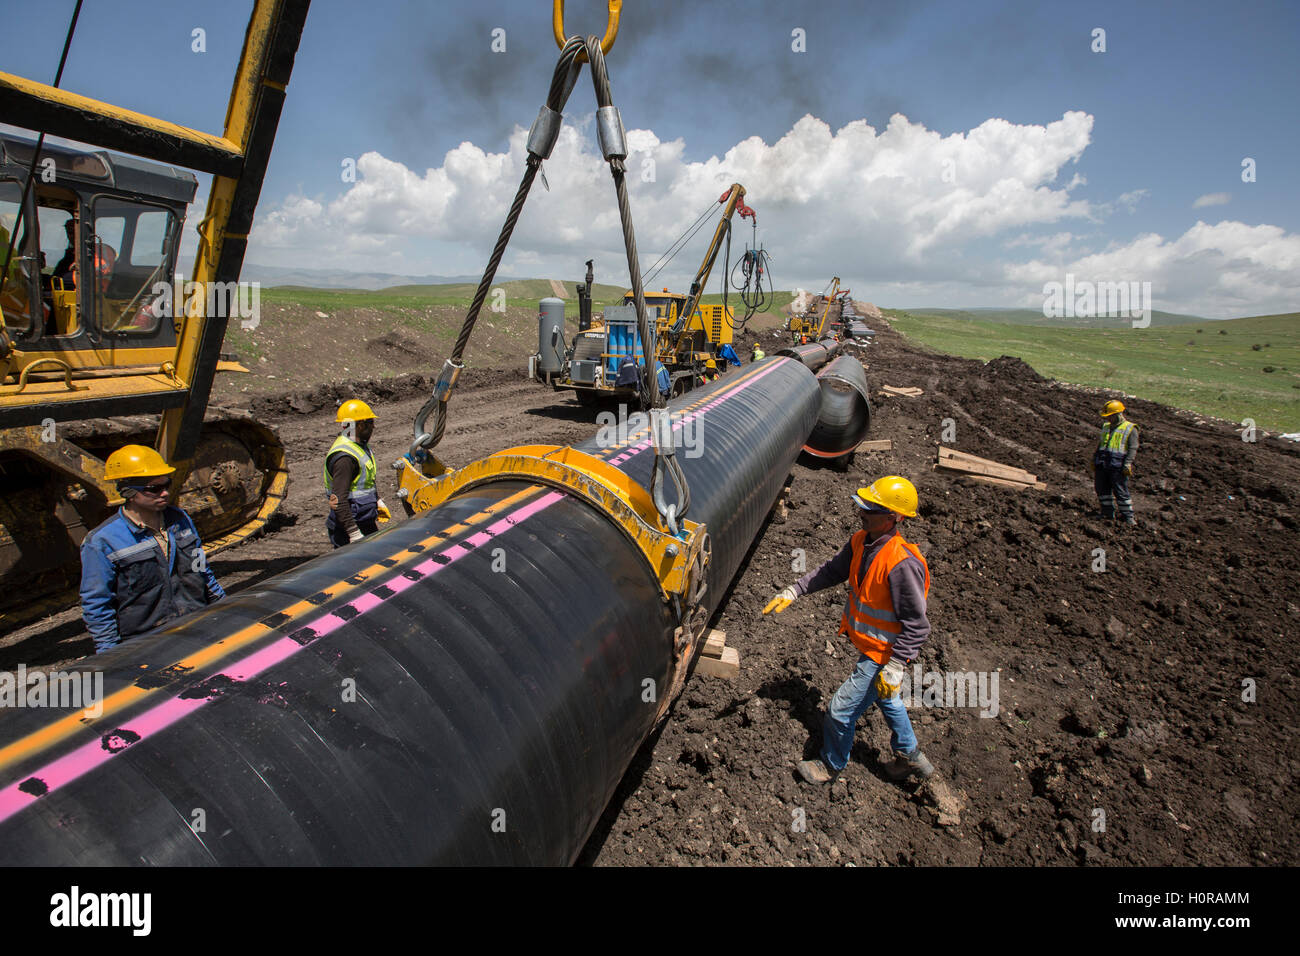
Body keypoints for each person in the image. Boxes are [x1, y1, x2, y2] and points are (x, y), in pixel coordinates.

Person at [764, 476, 934, 784]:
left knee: (840, 710)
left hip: (884, 653)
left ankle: (831, 765)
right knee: (886, 697)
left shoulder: (901, 563)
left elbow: (917, 624)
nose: (861, 511)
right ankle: (909, 755)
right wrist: (794, 590)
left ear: (893, 518)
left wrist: (896, 665)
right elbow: (833, 571)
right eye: (863, 505)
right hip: (873, 646)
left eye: (871, 508)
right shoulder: (861, 541)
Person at [80, 444, 225, 654]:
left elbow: (202, 570)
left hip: (198, 625)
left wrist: (224, 608)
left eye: (167, 484)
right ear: (129, 491)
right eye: (154, 488)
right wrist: (109, 654)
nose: (165, 493)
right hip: (147, 642)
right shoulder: (102, 541)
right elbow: (97, 603)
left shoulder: (180, 520)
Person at [325, 399, 390, 547]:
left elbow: (364, 480)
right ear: (361, 425)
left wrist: (376, 500)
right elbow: (339, 500)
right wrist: (353, 533)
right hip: (348, 527)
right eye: (371, 423)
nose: (374, 427)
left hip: (364, 521)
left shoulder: (358, 446)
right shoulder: (345, 458)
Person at [1090, 399, 1139, 525]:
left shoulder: (1130, 428)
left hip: (1117, 464)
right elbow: (1101, 443)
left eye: (1110, 416)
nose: (1108, 419)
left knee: (1120, 490)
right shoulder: (1106, 427)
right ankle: (1107, 513)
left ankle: (1128, 516)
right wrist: (1094, 458)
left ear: (1118, 414)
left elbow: (1133, 448)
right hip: (1102, 462)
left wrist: (1128, 463)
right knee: (1101, 488)